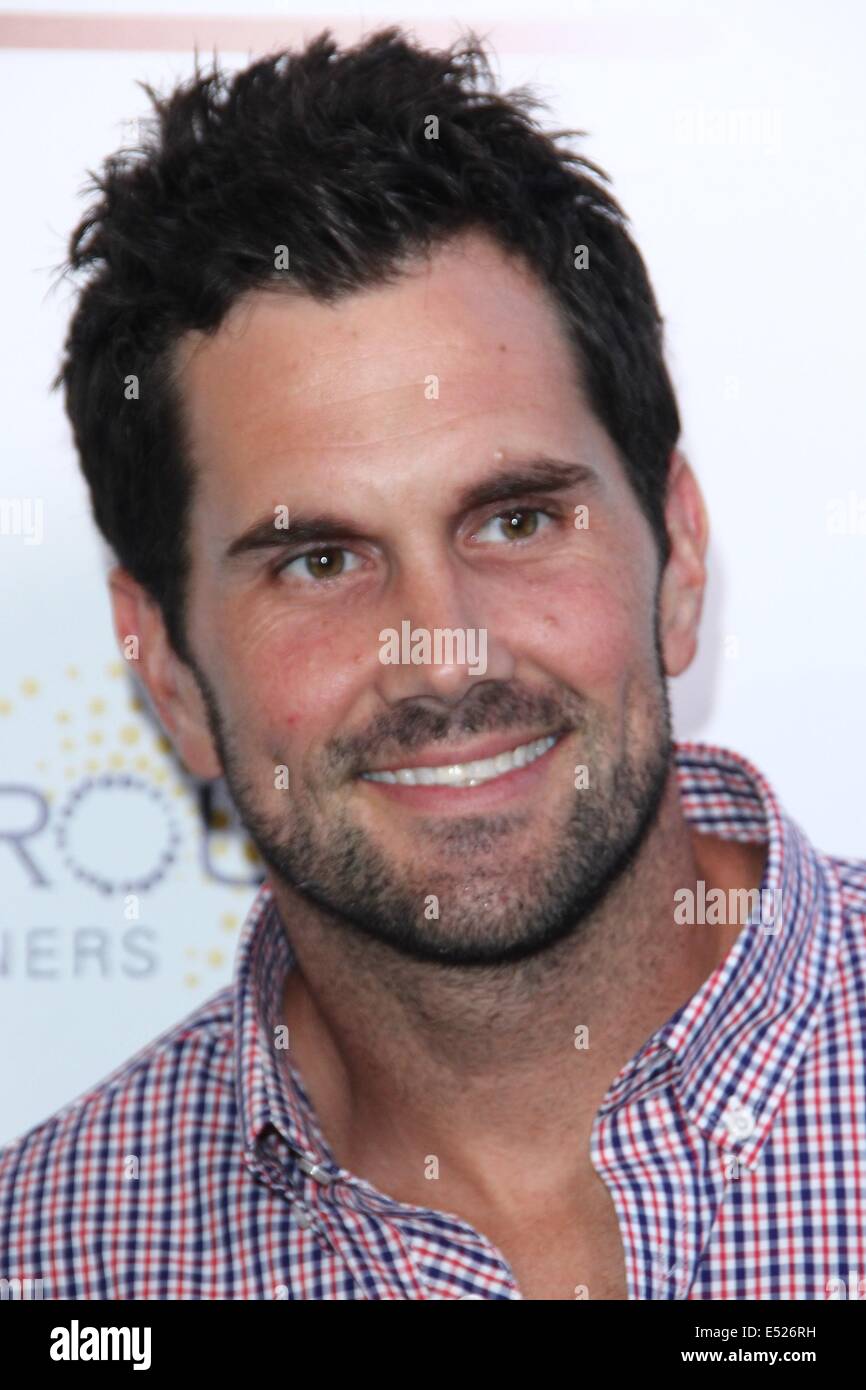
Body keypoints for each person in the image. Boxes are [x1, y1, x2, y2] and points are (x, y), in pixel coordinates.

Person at [1, 25, 863, 1301]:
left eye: (514, 521)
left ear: (677, 557)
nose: (439, 652)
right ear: (170, 671)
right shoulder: (56, 1270)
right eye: (317, 562)